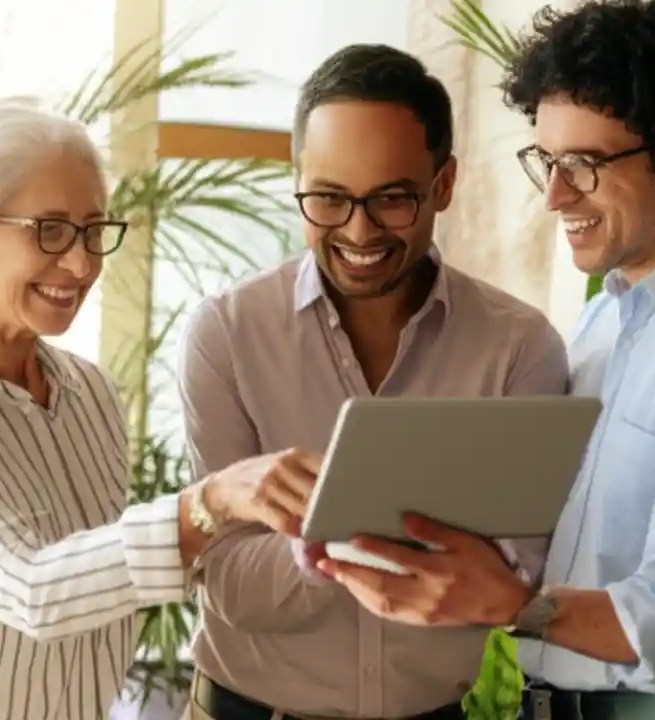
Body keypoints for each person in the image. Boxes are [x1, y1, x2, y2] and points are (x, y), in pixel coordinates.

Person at [318, 2, 655, 718]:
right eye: (547, 160)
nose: (554, 195)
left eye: (584, 163)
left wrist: (514, 603)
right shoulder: (609, 315)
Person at [0, 101, 317, 720]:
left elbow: (103, 580)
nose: (83, 264)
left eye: (93, 230)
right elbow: (30, 590)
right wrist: (211, 502)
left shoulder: (88, 393)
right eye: (50, 231)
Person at [177, 44, 569, 720]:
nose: (358, 231)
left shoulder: (519, 348)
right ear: (297, 180)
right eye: (327, 198)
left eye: (392, 199)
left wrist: (322, 529)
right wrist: (388, 529)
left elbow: (514, 576)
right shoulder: (226, 336)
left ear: (443, 185)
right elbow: (229, 585)